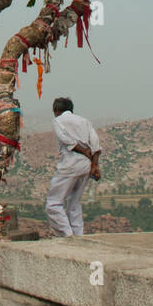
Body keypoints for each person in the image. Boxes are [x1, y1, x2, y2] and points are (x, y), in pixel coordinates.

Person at [45, 96, 102, 238]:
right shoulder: (84, 121)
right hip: (86, 164)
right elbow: (95, 143)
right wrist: (95, 164)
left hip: (70, 163)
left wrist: (82, 150)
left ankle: (67, 235)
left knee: (53, 203)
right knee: (74, 203)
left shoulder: (58, 121)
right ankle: (78, 235)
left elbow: (65, 139)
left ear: (56, 110)